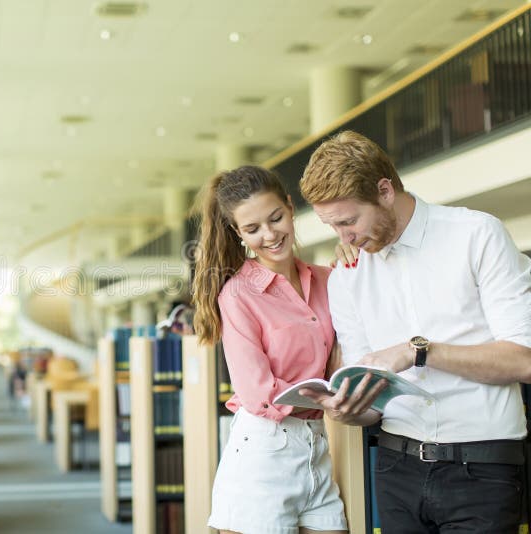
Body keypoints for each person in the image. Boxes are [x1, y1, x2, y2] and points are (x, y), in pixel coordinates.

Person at [299, 130, 531, 533]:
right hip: (394, 468)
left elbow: (523, 359)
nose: (345, 237)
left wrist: (419, 350)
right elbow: (371, 401)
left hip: (483, 468)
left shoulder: (477, 235)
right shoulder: (347, 277)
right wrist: (347, 410)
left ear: (385, 190)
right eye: (333, 226)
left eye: (350, 220)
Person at [191, 165, 348, 534]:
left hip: (317, 448)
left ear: (291, 208)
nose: (269, 235)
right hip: (264, 453)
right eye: (253, 228)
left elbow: (345, 353)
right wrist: (327, 399)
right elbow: (257, 391)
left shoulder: (328, 279)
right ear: (237, 233)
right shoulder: (239, 294)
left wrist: (359, 266)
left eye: (275, 218)